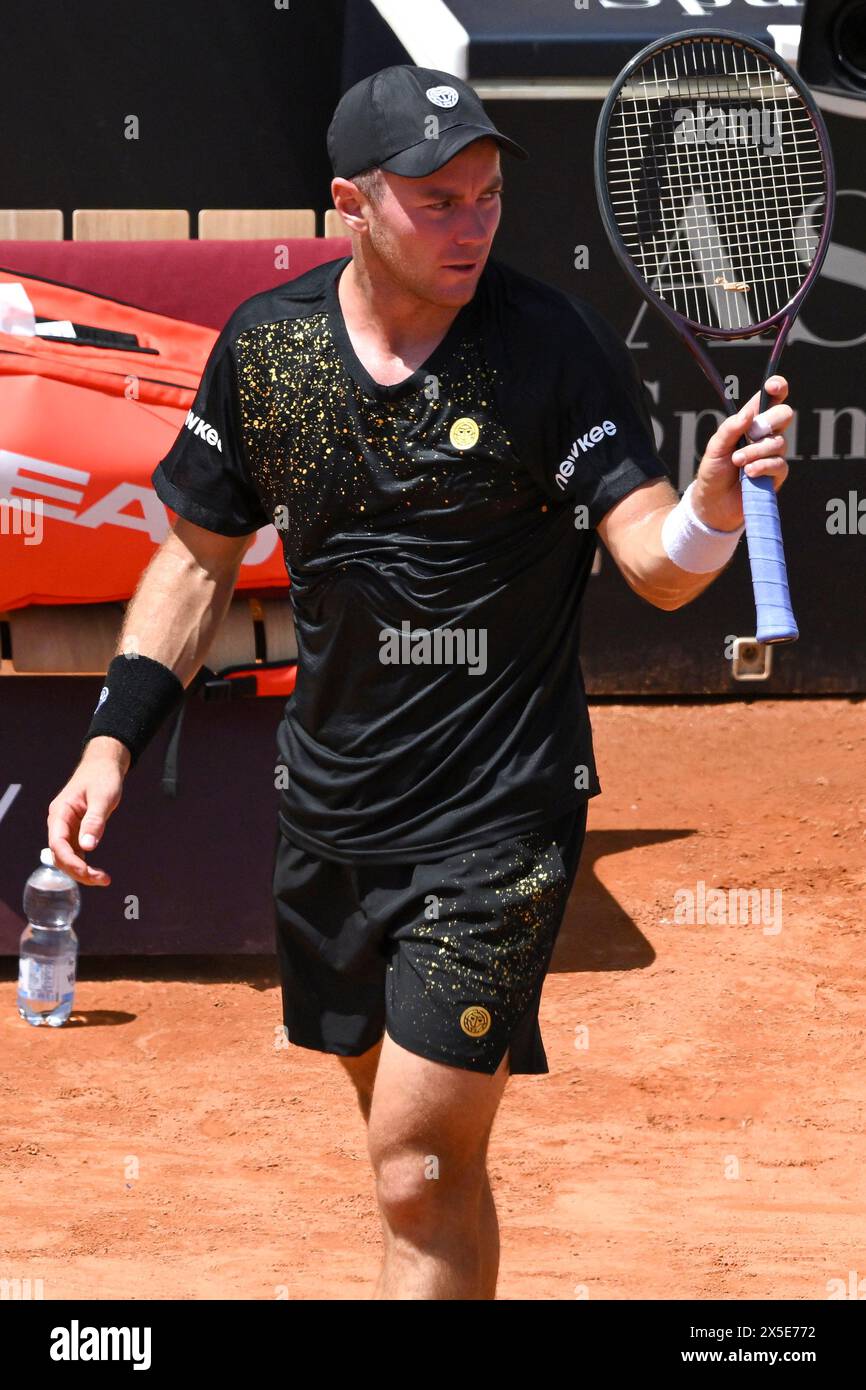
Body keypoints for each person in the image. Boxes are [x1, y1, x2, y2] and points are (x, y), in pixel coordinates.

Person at [47, 65, 792, 1300]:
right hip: (332, 813)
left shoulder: (549, 347)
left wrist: (709, 510)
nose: (473, 224)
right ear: (351, 201)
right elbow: (193, 563)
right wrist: (114, 738)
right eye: (437, 201)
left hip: (501, 817)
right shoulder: (269, 350)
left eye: (489, 195)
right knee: (421, 1162)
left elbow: (653, 568)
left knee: (415, 1168)